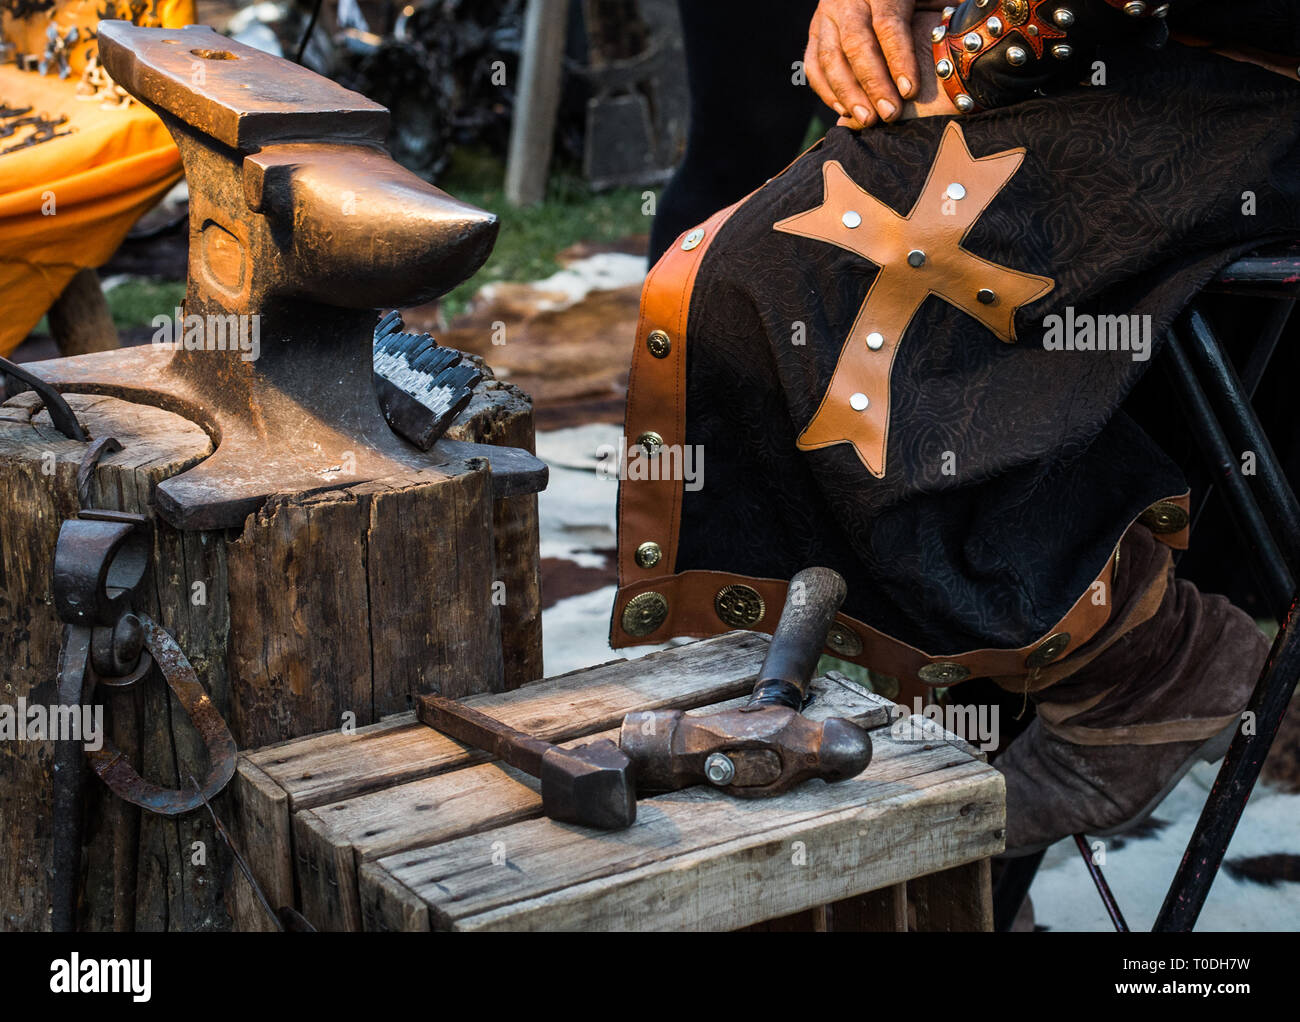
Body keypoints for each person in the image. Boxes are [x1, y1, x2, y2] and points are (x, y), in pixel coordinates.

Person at [612, 0, 1300, 854]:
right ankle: (954, 707)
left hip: (1240, 89)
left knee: (781, 271)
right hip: (1102, 60)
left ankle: (1143, 661)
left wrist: (992, 44)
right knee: (751, 267)